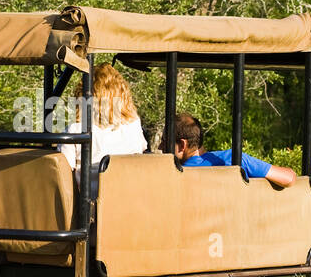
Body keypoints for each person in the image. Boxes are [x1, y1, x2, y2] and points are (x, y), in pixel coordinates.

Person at [165, 112, 297, 188]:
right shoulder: (230, 159)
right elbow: (288, 178)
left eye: (164, 142)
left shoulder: (166, 176)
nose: (160, 147)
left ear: (182, 145)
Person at [61, 63, 148, 170]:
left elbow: (64, 171)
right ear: (122, 94)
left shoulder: (75, 130)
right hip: (130, 185)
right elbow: (142, 148)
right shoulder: (133, 124)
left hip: (91, 186)